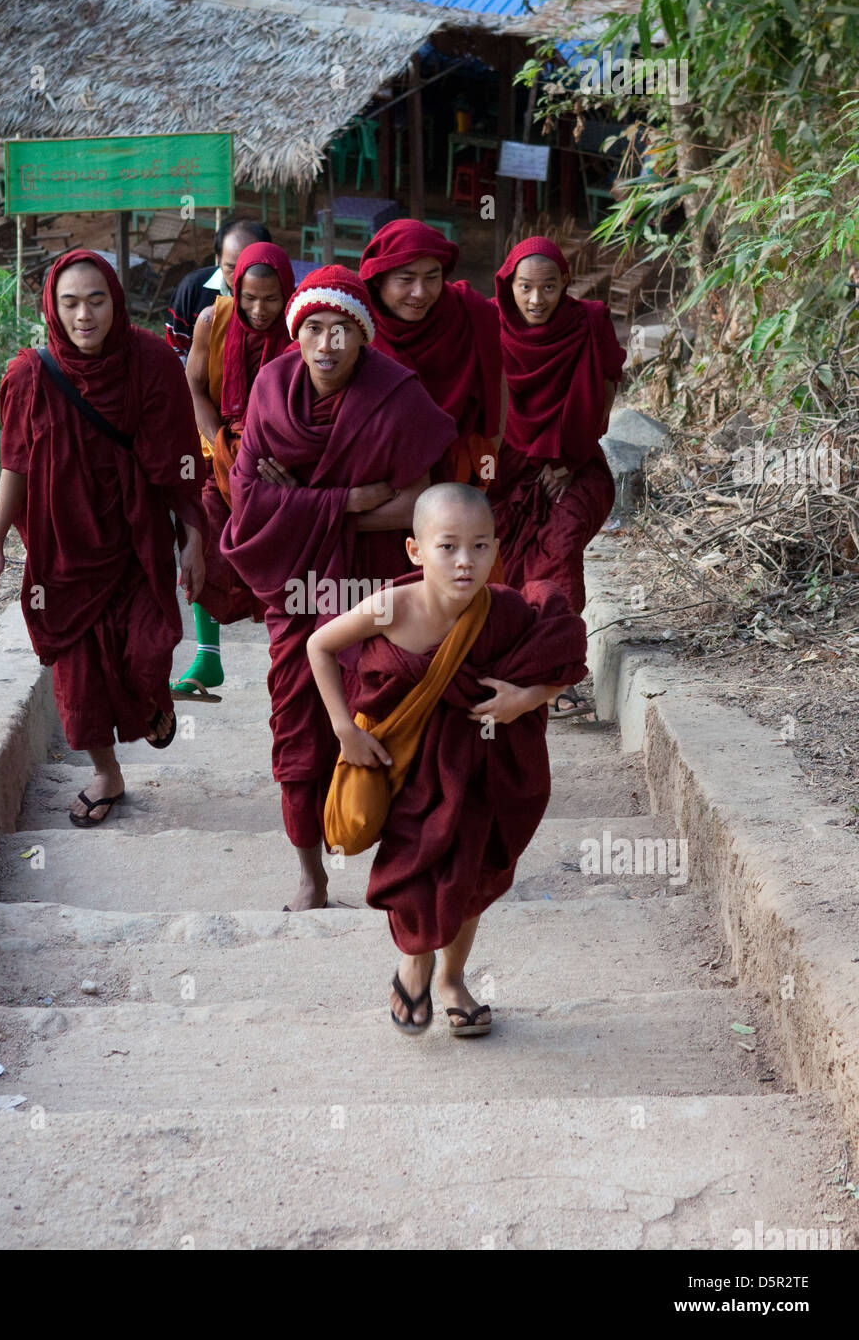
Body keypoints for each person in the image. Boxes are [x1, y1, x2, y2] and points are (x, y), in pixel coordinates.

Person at [307, 483, 587, 1033]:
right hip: (410, 765)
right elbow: (319, 644)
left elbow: (564, 655)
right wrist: (344, 730)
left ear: (496, 547)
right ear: (415, 551)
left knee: (472, 871)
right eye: (448, 546)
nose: (466, 561)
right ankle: (414, 964)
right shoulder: (392, 606)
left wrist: (523, 700)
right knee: (415, 869)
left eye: (480, 546)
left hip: (480, 769)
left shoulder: (505, 611)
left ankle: (452, 979)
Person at [221, 266, 457, 912]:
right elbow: (246, 501)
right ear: (296, 335)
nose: (326, 345)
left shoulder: (397, 397)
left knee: (390, 718)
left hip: (378, 581)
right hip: (297, 586)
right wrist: (347, 499)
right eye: (314, 330)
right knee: (298, 722)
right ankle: (310, 874)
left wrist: (305, 502)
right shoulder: (271, 393)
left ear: (363, 337)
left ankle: (403, 862)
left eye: (341, 331)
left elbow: (421, 504)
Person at [0, 250, 206, 826]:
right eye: (70, 303)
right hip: (63, 550)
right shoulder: (28, 375)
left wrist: (194, 536)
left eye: (97, 300)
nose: (85, 316)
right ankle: (106, 772)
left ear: (116, 301)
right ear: (52, 308)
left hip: (136, 539)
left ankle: (152, 696)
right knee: (78, 673)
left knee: (146, 648)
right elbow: (16, 464)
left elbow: (180, 459)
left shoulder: (151, 362)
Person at [491, 236, 625, 715]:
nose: (536, 299)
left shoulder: (587, 322)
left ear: (565, 284)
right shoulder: (491, 324)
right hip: (507, 470)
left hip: (577, 465)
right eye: (526, 287)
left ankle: (556, 673)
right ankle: (511, 666)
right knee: (502, 558)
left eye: (548, 287)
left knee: (560, 547)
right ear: (510, 284)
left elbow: (605, 391)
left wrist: (569, 456)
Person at [173, 241, 295, 700]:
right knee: (204, 544)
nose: (259, 310)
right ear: (234, 289)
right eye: (249, 297)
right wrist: (219, 442)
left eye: (270, 298)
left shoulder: (300, 328)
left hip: (278, 461)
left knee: (280, 562)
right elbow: (195, 387)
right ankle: (208, 657)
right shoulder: (213, 320)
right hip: (221, 451)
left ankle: (288, 658)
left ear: (287, 293)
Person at [358, 219, 504, 488]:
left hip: (458, 472)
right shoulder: (354, 324)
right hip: (375, 477)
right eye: (406, 279)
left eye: (432, 277)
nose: (420, 292)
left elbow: (498, 395)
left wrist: (482, 478)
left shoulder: (470, 314)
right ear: (378, 278)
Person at [164, 217, 272, 360]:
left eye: (249, 267)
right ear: (218, 259)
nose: (239, 276)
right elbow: (176, 346)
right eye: (231, 267)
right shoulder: (193, 288)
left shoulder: (281, 296)